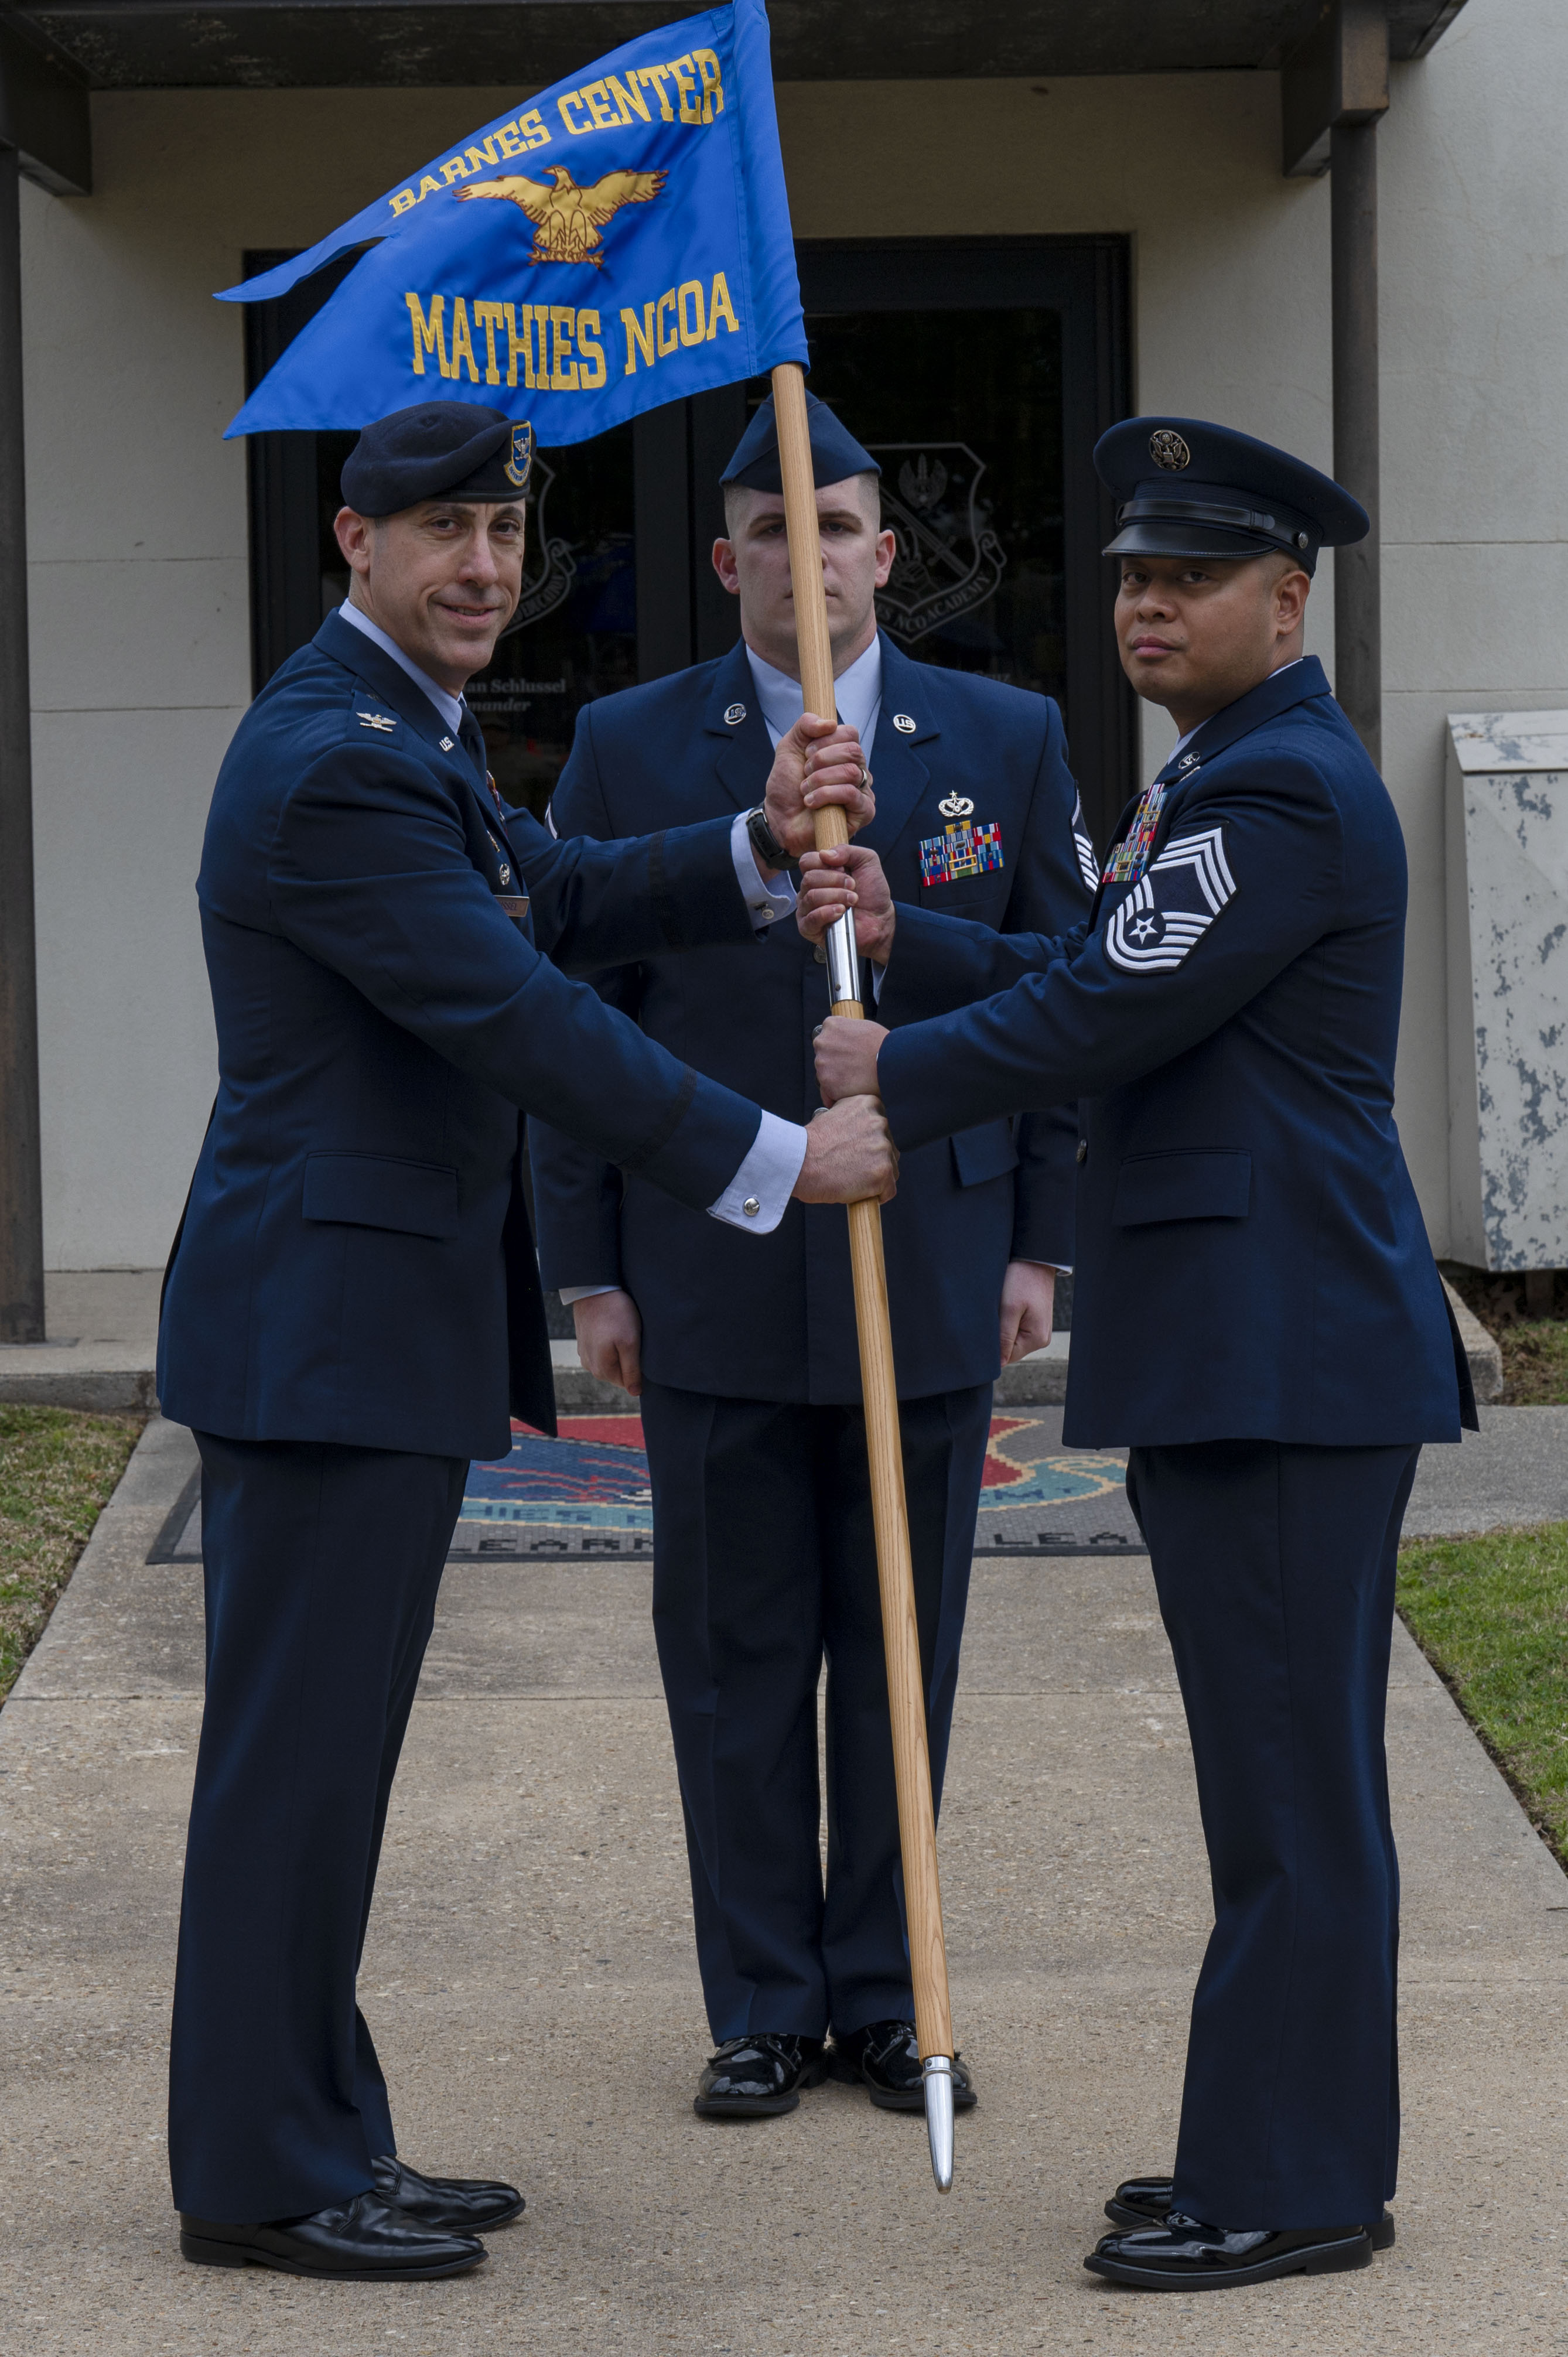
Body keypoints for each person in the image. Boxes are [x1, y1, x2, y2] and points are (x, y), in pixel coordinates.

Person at [156, 400, 894, 2283]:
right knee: (293, 1770)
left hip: (357, 1327)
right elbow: (521, 1012)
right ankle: (258, 2175)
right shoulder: (334, 764)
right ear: (356, 543)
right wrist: (769, 1159)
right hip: (322, 1330)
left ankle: (324, 2133)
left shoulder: (405, 732)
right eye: (443, 536)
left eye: (503, 530)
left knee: (327, 1765)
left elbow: (555, 897)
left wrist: (744, 839)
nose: (483, 567)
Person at [804, 416, 1477, 2291]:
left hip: (1285, 1352)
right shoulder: (1228, 779)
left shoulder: (1277, 794)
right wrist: (905, 936)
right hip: (1250, 1347)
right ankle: (1266, 2147)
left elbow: (1104, 1005)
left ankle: (1296, 2186)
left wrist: (895, 1073)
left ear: (1291, 595)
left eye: (1189, 575)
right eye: (1127, 574)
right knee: (1273, 1783)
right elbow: (1102, 953)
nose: (1147, 601)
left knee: (1290, 1792)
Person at [528, 390, 1091, 2123]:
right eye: (772, 529)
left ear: (885, 554)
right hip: (704, 1271)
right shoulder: (631, 747)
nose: (807, 556)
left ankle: (890, 1994)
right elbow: (567, 1012)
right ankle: (763, 2003)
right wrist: (591, 1270)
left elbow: (1074, 999)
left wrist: (1043, 1243)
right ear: (726, 562)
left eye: (834, 525)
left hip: (931, 1256)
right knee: (738, 1654)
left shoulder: (1002, 735)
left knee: (900, 1653)